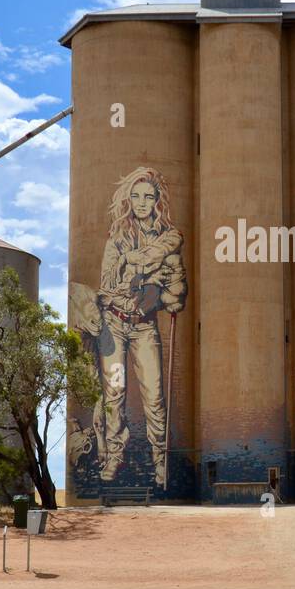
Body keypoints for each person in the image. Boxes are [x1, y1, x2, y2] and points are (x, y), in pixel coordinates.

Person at [96, 167, 186, 485]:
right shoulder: (117, 239)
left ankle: (160, 459)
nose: (142, 202)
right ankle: (114, 456)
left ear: (157, 200)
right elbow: (106, 286)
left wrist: (151, 275)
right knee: (114, 393)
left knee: (154, 396)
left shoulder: (168, 238)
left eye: (148, 196)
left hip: (145, 327)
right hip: (115, 327)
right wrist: (136, 274)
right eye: (136, 196)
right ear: (128, 200)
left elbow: (177, 292)